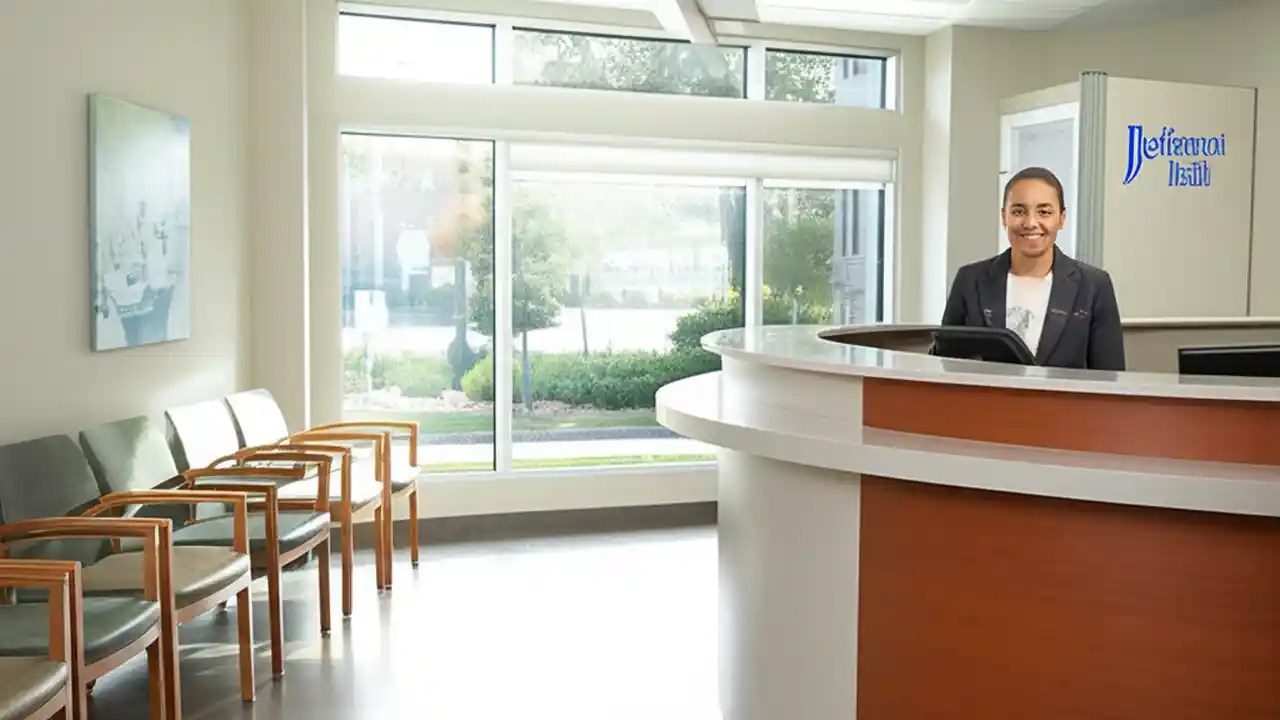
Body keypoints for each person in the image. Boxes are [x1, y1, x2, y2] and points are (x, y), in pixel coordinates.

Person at [940, 166, 1125, 370]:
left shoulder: (1093, 285)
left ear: (1061, 219)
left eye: (1044, 212)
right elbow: (946, 365)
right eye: (1019, 211)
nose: (1030, 223)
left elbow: (1110, 377)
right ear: (1004, 217)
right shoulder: (970, 280)